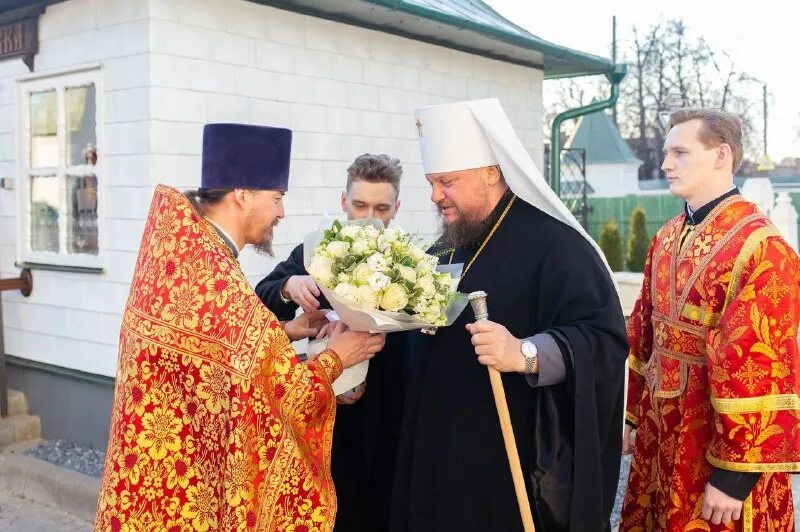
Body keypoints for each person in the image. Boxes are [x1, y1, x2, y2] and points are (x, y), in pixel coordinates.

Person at [95, 123, 384, 531]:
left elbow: (213, 349)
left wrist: (285, 332)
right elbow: (283, 396)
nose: (281, 212)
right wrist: (339, 358)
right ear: (242, 194)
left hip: (155, 479)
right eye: (277, 198)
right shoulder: (215, 275)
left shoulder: (183, 251)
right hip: (190, 488)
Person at [390, 99, 628, 532]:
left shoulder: (558, 246)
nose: (435, 196)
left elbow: (603, 340)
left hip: (508, 460)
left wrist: (525, 354)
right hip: (438, 456)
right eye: (431, 182)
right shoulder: (443, 248)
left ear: (491, 173)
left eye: (447, 182)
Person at [620, 108, 800, 531]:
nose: (665, 164)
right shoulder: (665, 237)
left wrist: (735, 477)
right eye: (666, 153)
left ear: (721, 155)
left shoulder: (763, 247)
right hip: (660, 434)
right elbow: (642, 332)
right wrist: (631, 416)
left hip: (718, 449)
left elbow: (763, 365)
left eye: (680, 152)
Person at [255, 153, 405, 531]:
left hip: (385, 417)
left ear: (396, 209)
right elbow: (262, 295)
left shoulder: (408, 263)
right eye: (359, 205)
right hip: (324, 421)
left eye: (381, 207)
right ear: (343, 202)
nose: (369, 216)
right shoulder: (316, 251)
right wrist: (289, 288)